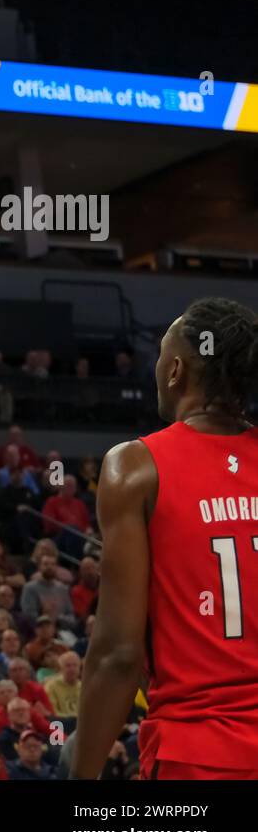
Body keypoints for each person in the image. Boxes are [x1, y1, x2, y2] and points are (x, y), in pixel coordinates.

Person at [75, 298, 258, 780]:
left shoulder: (135, 467)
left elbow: (118, 652)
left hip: (199, 753)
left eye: (159, 355)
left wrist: (82, 771)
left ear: (175, 369)